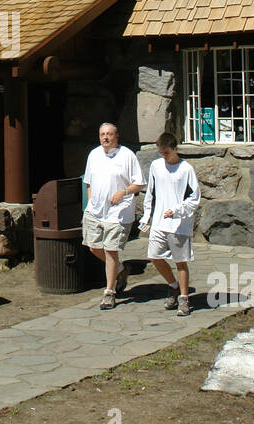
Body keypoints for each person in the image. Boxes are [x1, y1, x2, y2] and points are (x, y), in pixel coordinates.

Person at [83, 123, 145, 311]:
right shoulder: (94, 155)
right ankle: (120, 270)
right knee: (94, 247)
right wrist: (90, 202)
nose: (105, 138)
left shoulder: (127, 155)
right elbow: (88, 182)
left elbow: (139, 183)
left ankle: (109, 293)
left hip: (118, 213)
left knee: (111, 251)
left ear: (116, 136)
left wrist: (124, 192)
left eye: (109, 134)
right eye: (102, 134)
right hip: (95, 211)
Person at [140, 131, 201, 315]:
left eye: (167, 152)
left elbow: (194, 198)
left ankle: (184, 297)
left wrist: (176, 210)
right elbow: (151, 193)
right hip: (159, 221)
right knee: (154, 256)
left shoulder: (186, 169)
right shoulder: (156, 166)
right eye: (161, 153)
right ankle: (173, 285)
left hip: (179, 224)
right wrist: (147, 216)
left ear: (176, 149)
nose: (164, 156)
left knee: (180, 261)